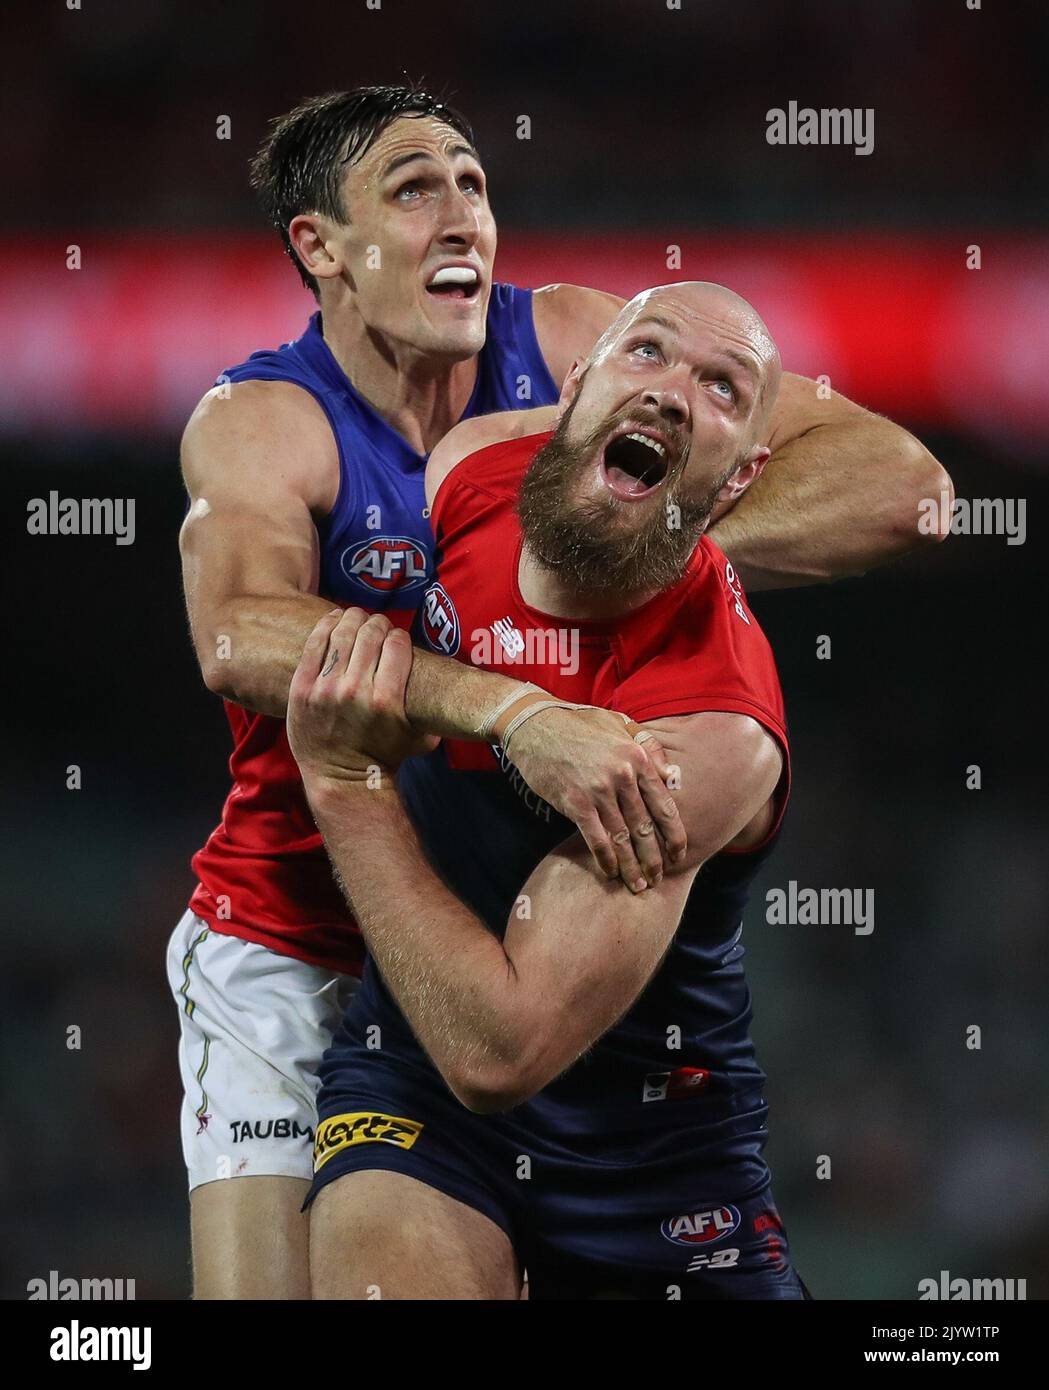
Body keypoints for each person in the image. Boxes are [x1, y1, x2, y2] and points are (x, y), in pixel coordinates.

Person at [172, 84, 951, 1298]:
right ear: (318, 245)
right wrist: (513, 705)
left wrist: (640, 544)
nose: (460, 216)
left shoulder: (583, 347)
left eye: (474, 184)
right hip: (296, 930)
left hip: (506, 918)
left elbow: (905, 486)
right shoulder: (267, 421)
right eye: (413, 187)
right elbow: (236, 637)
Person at [287, 281, 859, 1298]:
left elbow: (502, 1049)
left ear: (739, 480)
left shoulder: (711, 726)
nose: (672, 394)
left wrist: (345, 783)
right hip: (414, 1090)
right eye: (645, 353)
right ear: (578, 384)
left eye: (721, 388)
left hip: (653, 1170)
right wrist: (513, 713)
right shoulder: (465, 472)